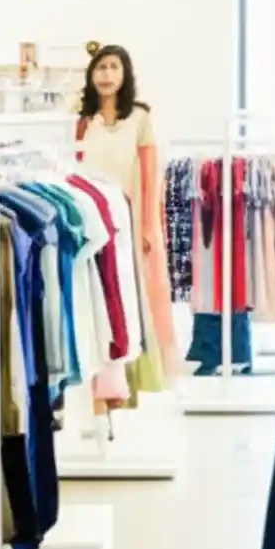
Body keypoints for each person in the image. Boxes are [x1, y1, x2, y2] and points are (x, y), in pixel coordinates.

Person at [75, 44, 179, 387]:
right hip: (93, 216)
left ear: (124, 73)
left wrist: (149, 225)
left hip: (130, 217)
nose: (106, 75)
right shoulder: (82, 120)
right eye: (100, 68)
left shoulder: (139, 118)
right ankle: (103, 380)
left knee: (136, 292)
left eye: (113, 67)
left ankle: (137, 373)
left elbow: (151, 177)